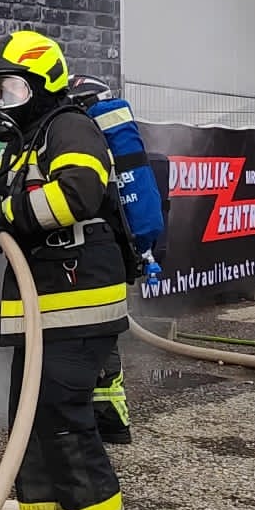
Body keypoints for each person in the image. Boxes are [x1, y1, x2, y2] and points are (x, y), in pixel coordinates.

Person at [0, 30, 138, 510]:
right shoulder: (28, 142)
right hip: (45, 307)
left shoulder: (68, 127)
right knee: (32, 426)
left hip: (77, 304)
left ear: (43, 86)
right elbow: (23, 215)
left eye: (13, 89)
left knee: (65, 426)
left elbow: (76, 195)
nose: (2, 101)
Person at [67, 75, 164, 448]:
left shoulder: (87, 141)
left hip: (95, 254)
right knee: (104, 339)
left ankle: (90, 424)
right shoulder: (117, 137)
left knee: (85, 339)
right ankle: (112, 422)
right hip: (119, 252)